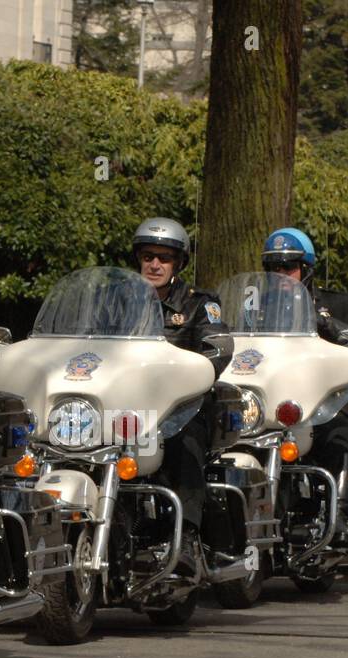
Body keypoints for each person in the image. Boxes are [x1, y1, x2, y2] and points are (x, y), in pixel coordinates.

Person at [261, 227, 348, 545]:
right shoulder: (255, 308)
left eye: (289, 266)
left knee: (339, 430)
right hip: (273, 399)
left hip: (329, 399)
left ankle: (338, 514)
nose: (282, 274)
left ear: (306, 269)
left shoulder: (335, 302)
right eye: (274, 268)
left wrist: (330, 325)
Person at [131, 217, 228, 558]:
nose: (154, 264)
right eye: (147, 256)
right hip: (128, 403)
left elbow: (217, 349)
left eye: (164, 257)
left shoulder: (199, 303)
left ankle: (186, 534)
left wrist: (191, 378)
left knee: (184, 442)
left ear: (178, 263)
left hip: (182, 407)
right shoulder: (117, 302)